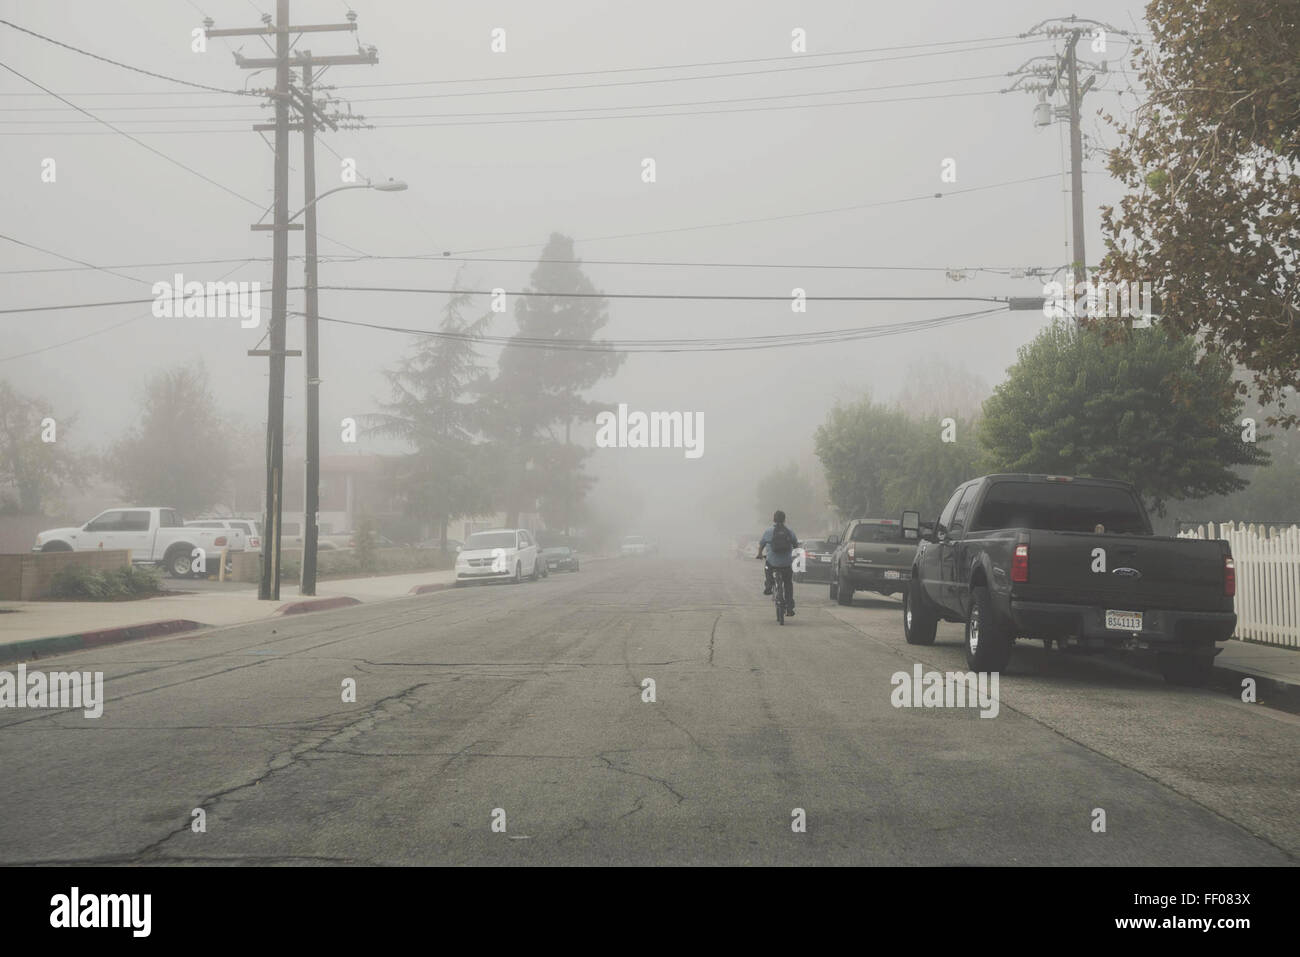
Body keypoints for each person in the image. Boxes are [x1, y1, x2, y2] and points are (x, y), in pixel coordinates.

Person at [756, 509, 798, 616]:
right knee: (788, 583)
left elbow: (761, 544)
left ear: (773, 519)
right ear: (784, 519)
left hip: (772, 562)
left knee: (767, 567)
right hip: (786, 563)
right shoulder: (789, 531)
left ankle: (769, 585)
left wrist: (760, 554)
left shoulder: (768, 531)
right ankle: (789, 607)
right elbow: (796, 544)